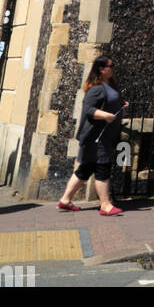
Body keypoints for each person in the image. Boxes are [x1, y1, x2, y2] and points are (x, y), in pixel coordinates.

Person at [57, 56, 129, 215]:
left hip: (105, 136)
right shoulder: (96, 88)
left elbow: (110, 101)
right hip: (97, 137)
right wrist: (106, 115)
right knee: (102, 168)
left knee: (86, 169)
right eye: (110, 65)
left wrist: (121, 104)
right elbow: (89, 109)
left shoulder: (110, 85)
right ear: (101, 69)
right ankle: (105, 205)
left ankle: (65, 200)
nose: (113, 68)